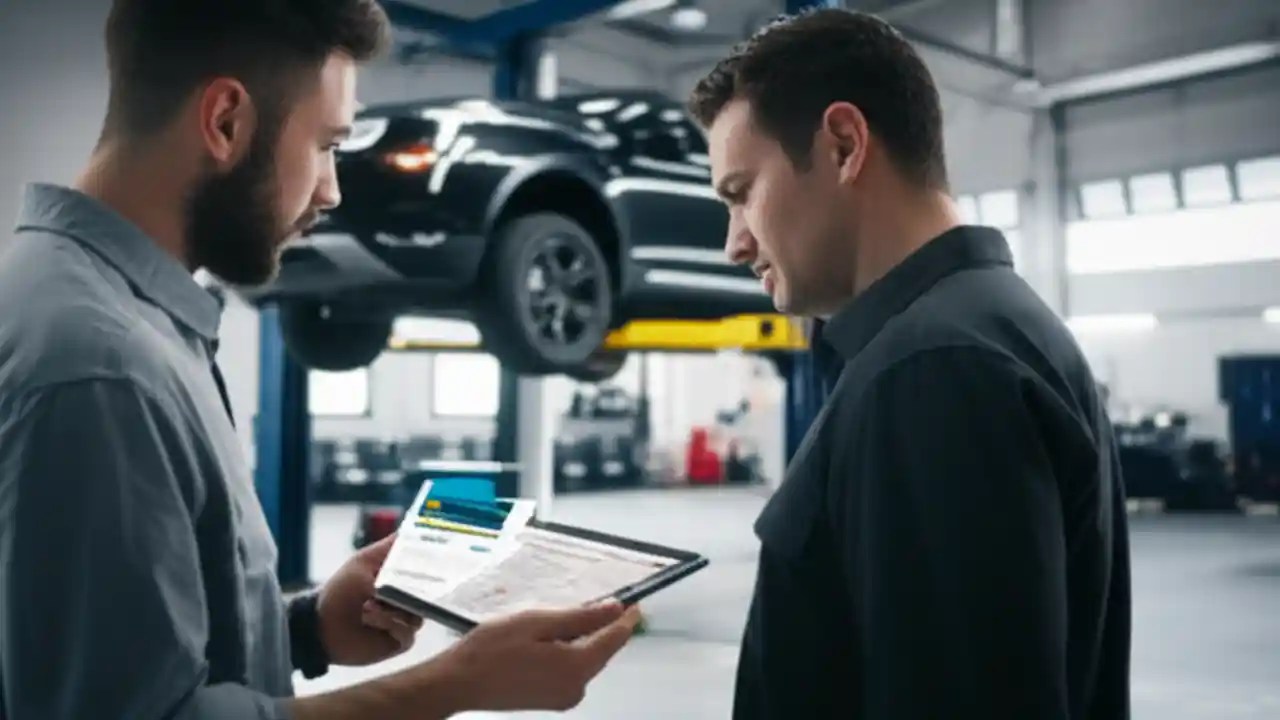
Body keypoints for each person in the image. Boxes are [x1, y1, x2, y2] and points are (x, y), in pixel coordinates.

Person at [0, 1, 639, 719]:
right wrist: (455, 685)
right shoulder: (101, 366)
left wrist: (306, 626)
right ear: (225, 122)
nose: (332, 190)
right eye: (328, 145)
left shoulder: (113, 314)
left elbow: (138, 642)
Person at [688, 9, 1131, 719]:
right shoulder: (993, 328)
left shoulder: (932, 371)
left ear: (843, 145)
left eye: (741, 194)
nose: (734, 244)